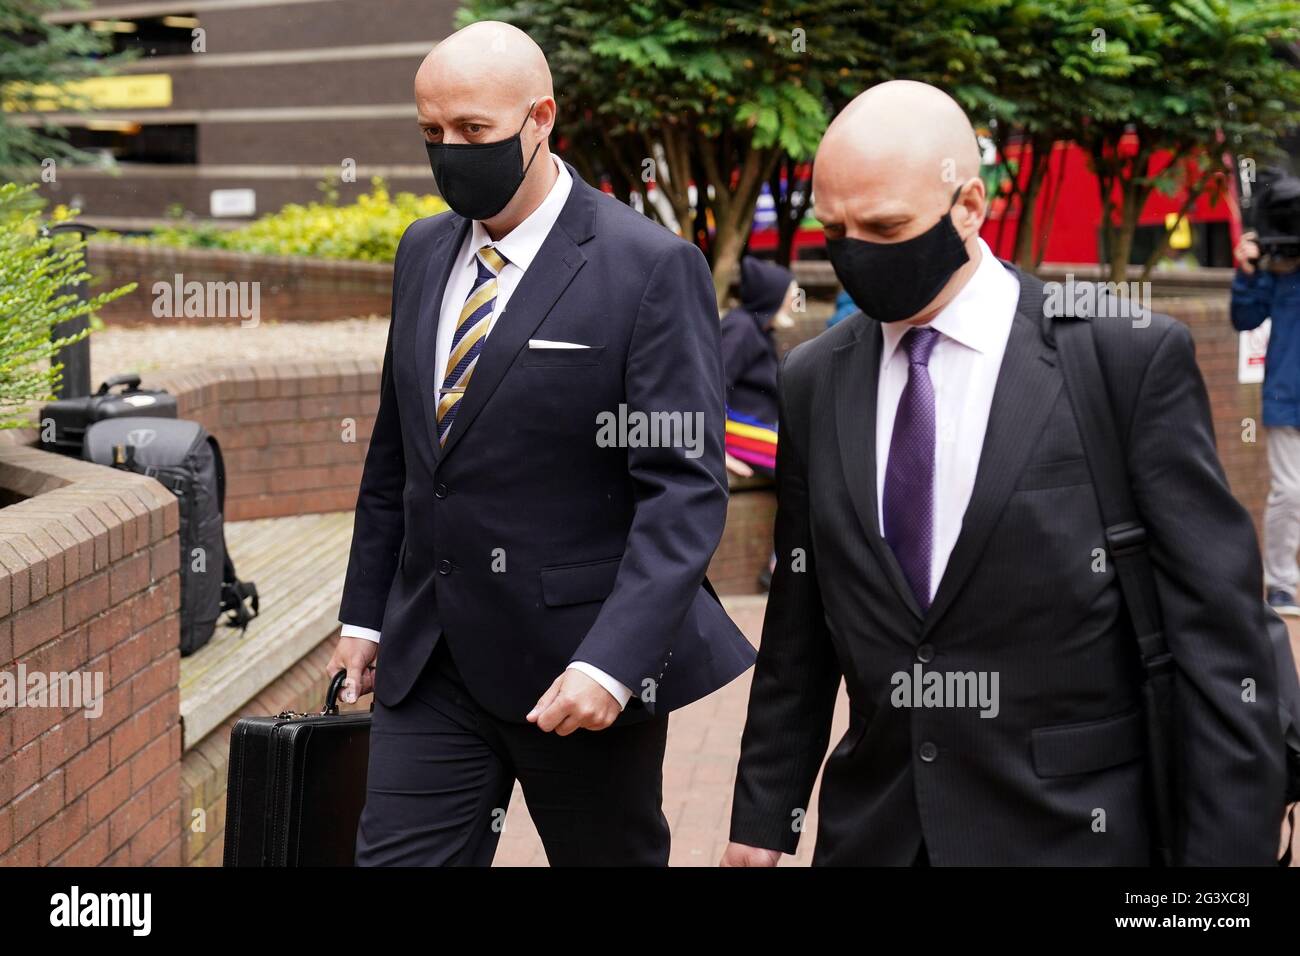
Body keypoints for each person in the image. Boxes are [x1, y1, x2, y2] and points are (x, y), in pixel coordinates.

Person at [722, 80, 1285, 866]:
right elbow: (799, 624)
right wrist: (762, 818)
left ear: (970, 206)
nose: (855, 253)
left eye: (885, 227)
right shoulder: (815, 380)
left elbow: (1219, 636)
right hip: (879, 833)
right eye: (834, 229)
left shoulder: (1120, 358)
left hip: (1072, 831)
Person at [328, 20, 754, 866]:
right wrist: (364, 617)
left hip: (577, 666)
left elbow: (684, 489)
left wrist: (613, 664)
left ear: (540, 117)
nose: (451, 151)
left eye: (473, 132)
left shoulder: (649, 267)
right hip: (430, 660)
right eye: (431, 134)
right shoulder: (422, 251)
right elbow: (400, 459)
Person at [1231, 223, 1300, 616]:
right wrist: (1248, 271)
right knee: (1290, 493)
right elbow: (1244, 318)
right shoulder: (1281, 272)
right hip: (1288, 396)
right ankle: (1281, 585)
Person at [721, 255, 795, 479]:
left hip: (758, 425)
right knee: (803, 464)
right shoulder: (741, 328)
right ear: (773, 297)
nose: (794, 302)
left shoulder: (756, 328)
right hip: (737, 428)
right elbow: (713, 383)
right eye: (791, 295)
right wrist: (712, 447)